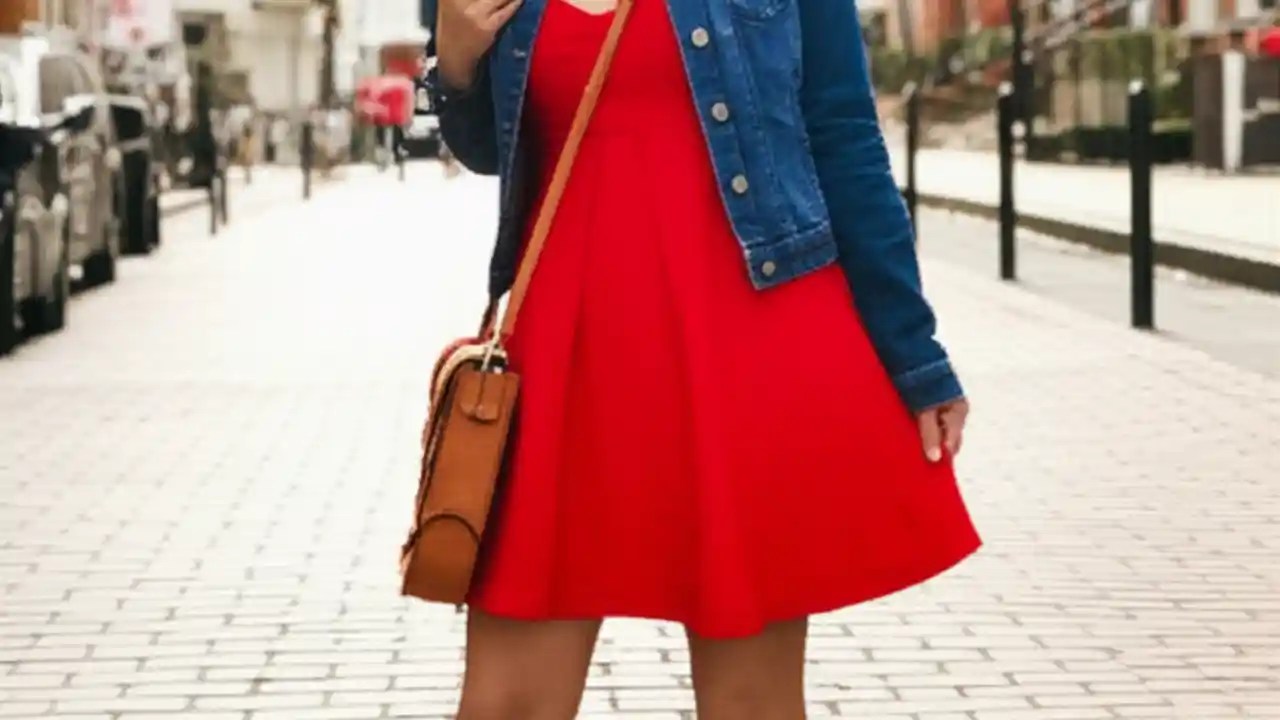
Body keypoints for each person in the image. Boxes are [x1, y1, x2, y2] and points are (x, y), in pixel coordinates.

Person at [428, 0, 981, 717]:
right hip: (567, 352)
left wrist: (913, 351)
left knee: (751, 703)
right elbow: (491, 147)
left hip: (746, 340)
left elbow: (843, 135)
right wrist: (457, 61)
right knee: (509, 702)